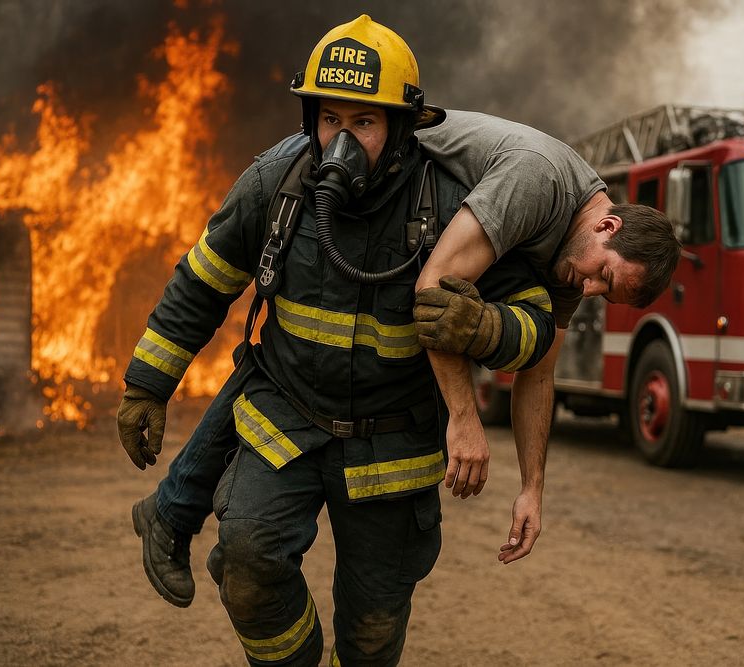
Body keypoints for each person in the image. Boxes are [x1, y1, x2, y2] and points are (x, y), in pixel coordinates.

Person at [117, 15, 557, 665]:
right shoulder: (277, 182)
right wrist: (147, 385)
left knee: (373, 631)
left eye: (364, 122)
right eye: (330, 119)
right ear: (310, 119)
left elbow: (537, 318)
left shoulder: (453, 203)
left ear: (403, 128)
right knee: (248, 568)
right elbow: (202, 283)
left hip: (393, 448)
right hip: (284, 422)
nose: (341, 140)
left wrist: (487, 327)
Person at [411, 110, 681, 563]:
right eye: (604, 276)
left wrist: (531, 490)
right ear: (608, 226)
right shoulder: (538, 181)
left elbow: (538, 375)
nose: (589, 290)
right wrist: (465, 418)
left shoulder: (574, 259)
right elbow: (434, 290)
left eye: (604, 294)